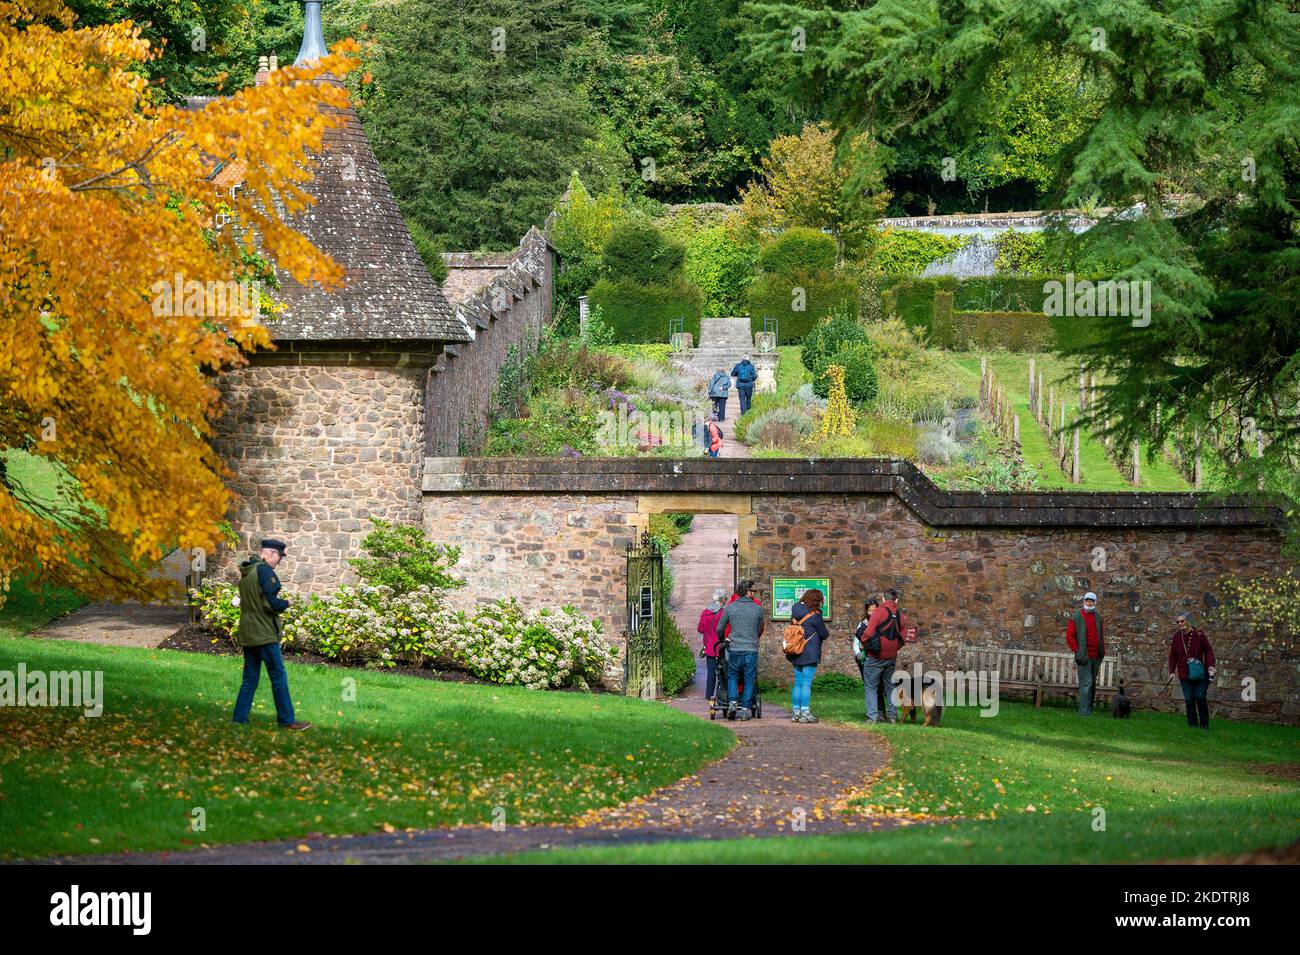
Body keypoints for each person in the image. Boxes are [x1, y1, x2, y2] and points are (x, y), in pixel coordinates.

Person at [232, 539, 311, 730]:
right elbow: (271, 603)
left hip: (248, 630)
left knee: (250, 678)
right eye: (279, 558)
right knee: (278, 675)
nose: (279, 563)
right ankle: (287, 720)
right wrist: (287, 603)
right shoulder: (265, 571)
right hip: (264, 632)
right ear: (271, 554)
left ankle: (238, 719)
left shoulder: (248, 572)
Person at [715, 578, 765, 720]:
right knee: (749, 678)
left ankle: (732, 702)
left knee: (732, 676)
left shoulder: (730, 608)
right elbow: (760, 627)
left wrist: (722, 638)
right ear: (747, 592)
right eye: (753, 591)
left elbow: (720, 628)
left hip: (735, 648)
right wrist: (753, 637)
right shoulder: (758, 609)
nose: (755, 593)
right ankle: (745, 708)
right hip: (751, 648)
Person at [861, 588, 907, 723]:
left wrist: (864, 642)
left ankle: (872, 717)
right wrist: (895, 648)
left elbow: (868, 633)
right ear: (896, 600)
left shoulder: (878, 612)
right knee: (890, 686)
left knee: (871, 687)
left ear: (883, 599)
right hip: (891, 657)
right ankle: (892, 717)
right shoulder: (901, 616)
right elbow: (903, 636)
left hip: (875, 656)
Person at [788, 588, 830, 723]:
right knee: (806, 683)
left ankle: (796, 712)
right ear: (817, 601)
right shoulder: (815, 615)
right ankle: (805, 712)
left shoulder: (795, 611)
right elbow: (824, 634)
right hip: (810, 652)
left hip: (795, 651)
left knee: (798, 683)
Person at [1168, 612, 1215, 730]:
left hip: (1200, 674)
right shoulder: (1177, 637)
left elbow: (1208, 650)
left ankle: (1204, 726)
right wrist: (1172, 671)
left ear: (1188, 621)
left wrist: (1210, 666)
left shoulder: (1199, 634)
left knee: (1199, 696)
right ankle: (1192, 726)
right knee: (1189, 699)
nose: (1179, 623)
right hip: (1184, 674)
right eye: (1177, 622)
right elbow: (1173, 655)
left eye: (1182, 621)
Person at [1066, 591, 1106, 716]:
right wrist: (1077, 650)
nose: (1089, 603)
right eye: (1087, 600)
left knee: (1092, 684)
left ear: (1095, 602)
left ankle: (1089, 710)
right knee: (1086, 683)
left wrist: (1102, 652)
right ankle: (1083, 712)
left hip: (1096, 656)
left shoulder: (1098, 617)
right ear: (1084, 602)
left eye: (1092, 601)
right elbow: (1069, 636)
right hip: (1084, 656)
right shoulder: (1077, 617)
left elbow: (1101, 636)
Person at [853, 597, 884, 711]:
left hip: (878, 658)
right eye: (869, 610)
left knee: (879, 686)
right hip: (865, 659)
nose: (872, 613)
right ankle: (873, 711)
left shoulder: (882, 624)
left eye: (874, 610)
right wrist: (858, 654)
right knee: (870, 687)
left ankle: (881, 711)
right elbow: (856, 643)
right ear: (866, 611)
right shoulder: (862, 625)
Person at [697, 587, 728, 701]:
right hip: (721, 647)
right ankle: (722, 695)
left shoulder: (706, 612)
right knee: (723, 672)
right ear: (722, 600)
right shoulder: (723, 613)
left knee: (711, 673)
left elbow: (700, 629)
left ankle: (709, 695)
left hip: (710, 647)